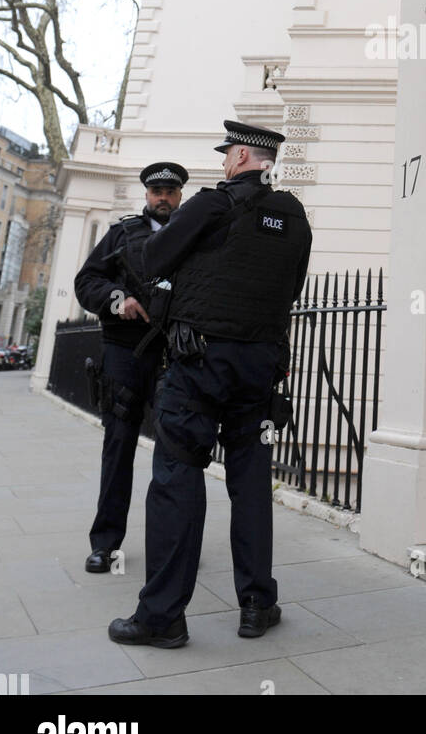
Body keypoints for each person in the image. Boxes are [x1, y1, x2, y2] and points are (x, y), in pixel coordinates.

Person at [107, 120, 312, 649]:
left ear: (243, 156)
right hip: (260, 367)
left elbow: (152, 260)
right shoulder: (294, 216)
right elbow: (291, 289)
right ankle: (257, 605)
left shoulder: (211, 204)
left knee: (177, 477)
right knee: (250, 485)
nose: (223, 163)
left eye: (227, 155)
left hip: (199, 362)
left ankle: (161, 617)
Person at [74, 161, 189, 574]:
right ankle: (105, 544)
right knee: (119, 446)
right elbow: (86, 281)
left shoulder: (192, 234)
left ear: (179, 196)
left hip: (175, 353)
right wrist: (117, 297)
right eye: (156, 191)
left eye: (170, 192)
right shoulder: (121, 233)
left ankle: (170, 544)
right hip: (125, 352)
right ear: (146, 195)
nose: (163, 198)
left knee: (176, 451)